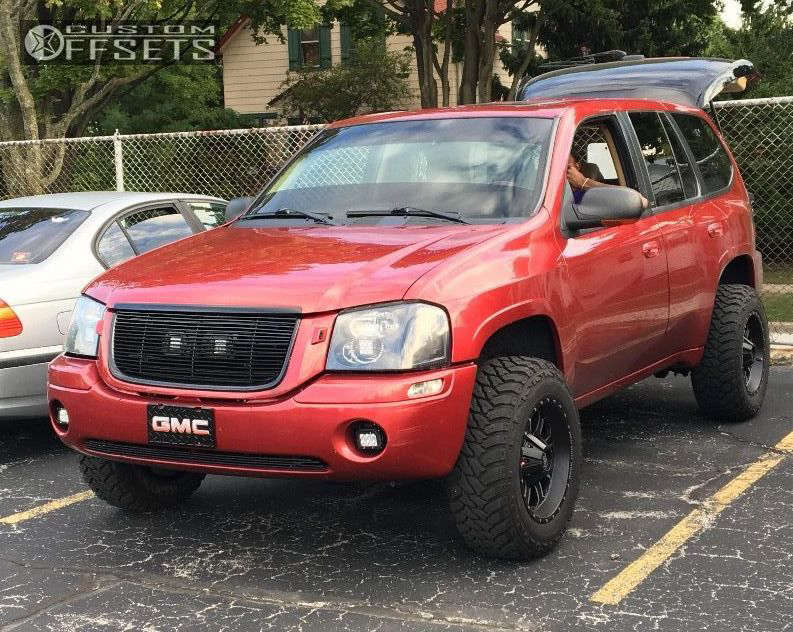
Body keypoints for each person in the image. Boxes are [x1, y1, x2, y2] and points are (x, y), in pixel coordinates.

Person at [567, 154, 649, 208]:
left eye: (566, 168)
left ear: (577, 167)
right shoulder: (556, 195)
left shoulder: (590, 194)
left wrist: (583, 182)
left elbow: (642, 201)